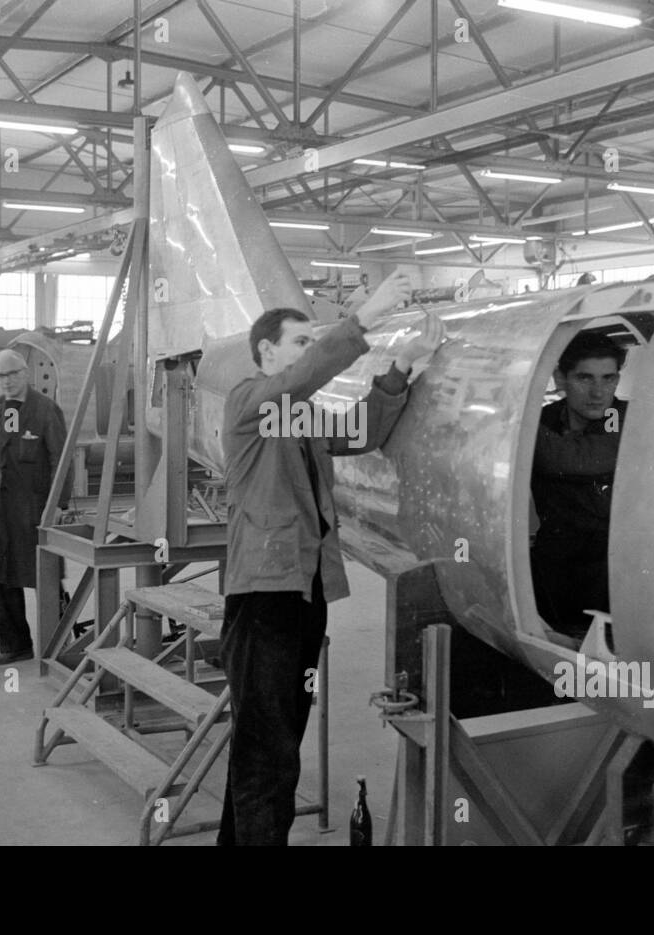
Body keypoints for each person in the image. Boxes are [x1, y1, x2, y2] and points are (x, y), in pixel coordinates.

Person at [218, 269, 444, 845]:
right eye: (301, 341)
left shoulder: (300, 417)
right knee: (268, 749)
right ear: (267, 352)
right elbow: (302, 377)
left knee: (273, 736)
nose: (309, 351)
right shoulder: (250, 402)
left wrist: (401, 370)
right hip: (264, 596)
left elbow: (362, 430)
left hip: (305, 593)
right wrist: (361, 320)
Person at [530, 331, 628, 641]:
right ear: (561, 377)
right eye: (585, 378)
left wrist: (518, 422)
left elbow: (579, 459)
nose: (599, 392)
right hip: (552, 573)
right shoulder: (545, 419)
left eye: (609, 379)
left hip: (611, 577)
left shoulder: (621, 418)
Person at [0, 349, 70, 666]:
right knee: (4, 577)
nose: (5, 381)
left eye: (11, 374)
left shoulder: (45, 411)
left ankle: (60, 641)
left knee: (44, 575)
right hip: (0, 510)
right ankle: (16, 644)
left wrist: (58, 504)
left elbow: (61, 459)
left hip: (34, 509)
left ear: (25, 373)